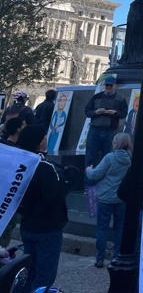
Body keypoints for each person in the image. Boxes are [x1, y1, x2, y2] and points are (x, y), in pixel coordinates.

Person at [17, 125, 68, 292]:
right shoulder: (45, 167)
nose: (47, 139)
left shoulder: (20, 163)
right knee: (44, 275)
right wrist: (67, 181)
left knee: (29, 271)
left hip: (27, 223)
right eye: (45, 137)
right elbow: (54, 196)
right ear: (39, 142)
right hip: (47, 227)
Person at [85, 132, 132, 268]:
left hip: (105, 198)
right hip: (121, 198)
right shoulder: (130, 159)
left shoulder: (109, 158)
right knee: (119, 228)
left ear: (115, 143)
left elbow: (95, 175)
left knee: (102, 228)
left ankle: (100, 258)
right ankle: (117, 256)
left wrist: (88, 170)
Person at [84, 76, 128, 166]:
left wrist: (115, 113)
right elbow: (87, 111)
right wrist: (96, 112)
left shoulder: (121, 99)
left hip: (111, 131)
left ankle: (104, 173)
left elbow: (124, 114)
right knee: (91, 155)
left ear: (115, 86)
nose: (108, 87)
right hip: (95, 129)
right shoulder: (96, 97)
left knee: (108, 155)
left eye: (110, 85)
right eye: (107, 85)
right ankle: (89, 173)